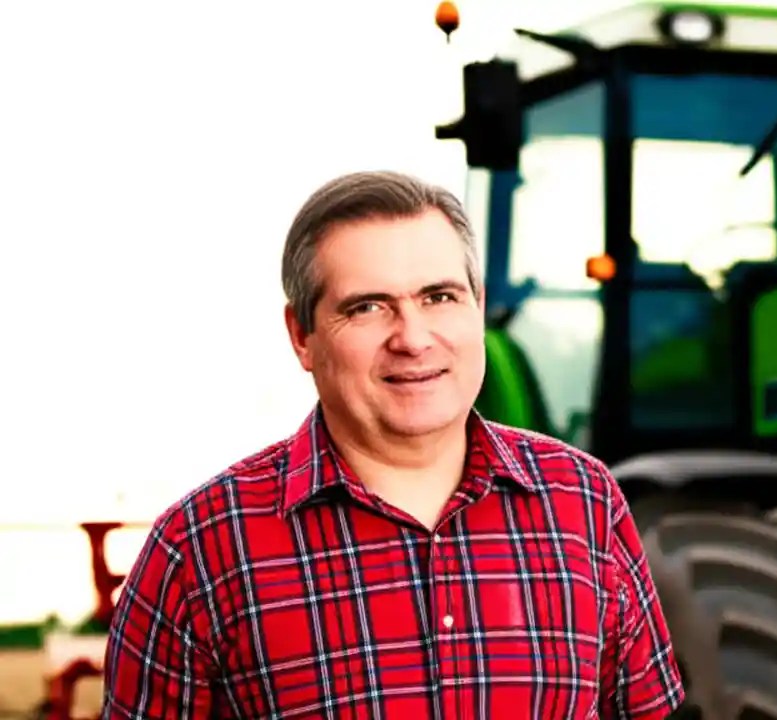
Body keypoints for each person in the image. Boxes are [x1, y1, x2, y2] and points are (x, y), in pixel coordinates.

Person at [100, 170, 687, 718]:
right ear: (302, 336)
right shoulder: (200, 550)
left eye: (439, 297)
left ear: (477, 307)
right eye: (368, 307)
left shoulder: (582, 501)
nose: (413, 338)